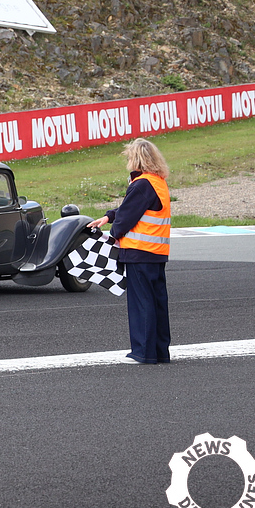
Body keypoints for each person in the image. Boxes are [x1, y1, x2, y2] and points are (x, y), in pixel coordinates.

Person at [87, 138, 172, 365]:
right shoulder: (158, 182)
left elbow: (126, 216)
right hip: (157, 253)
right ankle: (160, 351)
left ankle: (142, 352)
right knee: (157, 302)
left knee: (141, 303)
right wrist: (108, 216)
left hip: (139, 253)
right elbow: (132, 207)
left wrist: (113, 229)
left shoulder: (142, 184)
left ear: (136, 159)